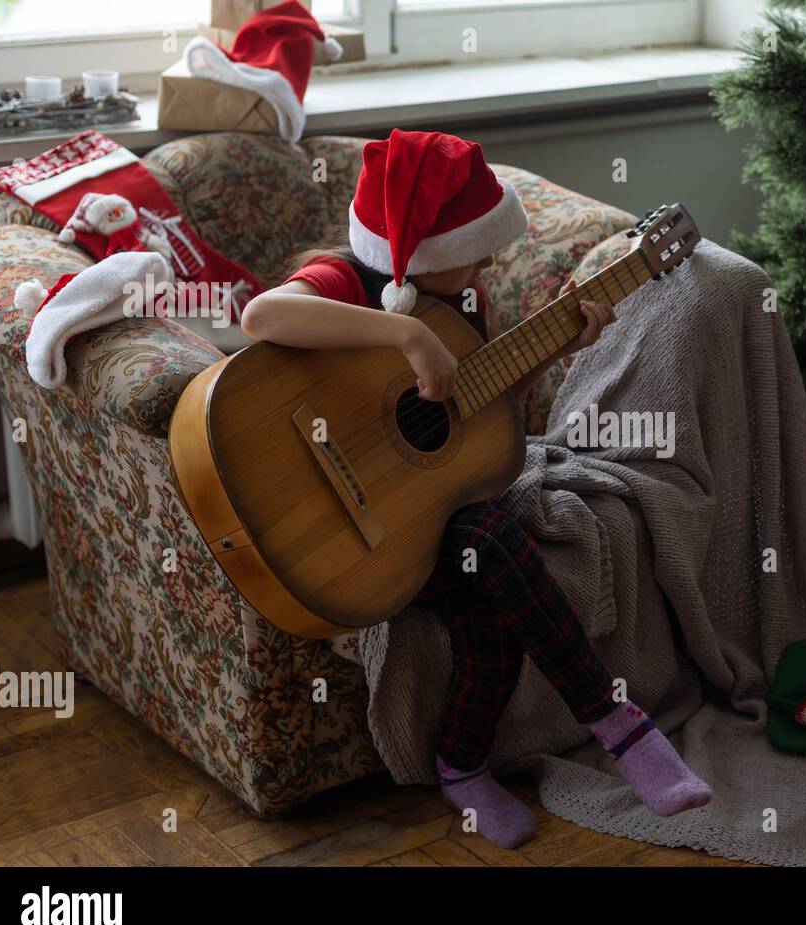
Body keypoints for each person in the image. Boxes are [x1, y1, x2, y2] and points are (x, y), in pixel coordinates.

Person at [240, 129, 712, 849]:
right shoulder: (346, 281)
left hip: (424, 512)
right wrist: (404, 339)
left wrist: (561, 345)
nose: (489, 260)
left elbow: (463, 417)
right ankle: (620, 725)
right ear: (419, 251)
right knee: (496, 539)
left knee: (492, 628)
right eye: (473, 247)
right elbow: (261, 317)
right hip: (349, 527)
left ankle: (461, 768)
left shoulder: (458, 297)